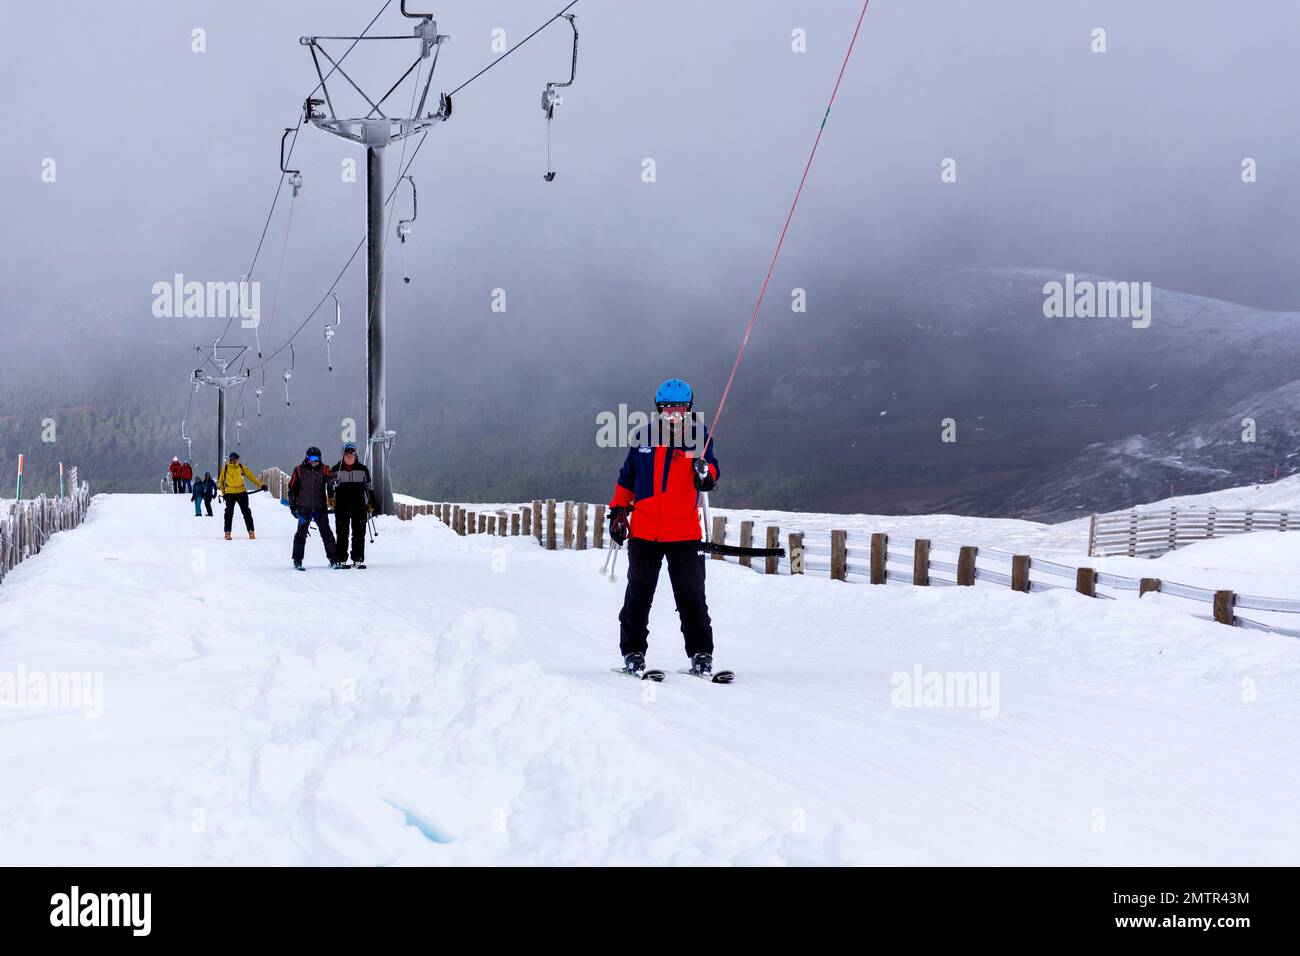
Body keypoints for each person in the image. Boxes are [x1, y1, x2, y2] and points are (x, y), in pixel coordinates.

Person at [608, 378, 719, 678]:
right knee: (639, 595)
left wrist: (704, 473)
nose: (673, 414)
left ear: (688, 409)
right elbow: (627, 478)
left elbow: (710, 474)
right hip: (644, 532)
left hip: (684, 533)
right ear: (658, 409)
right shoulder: (643, 436)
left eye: (679, 409)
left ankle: (701, 654)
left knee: (691, 596)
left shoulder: (699, 436)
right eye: (667, 408)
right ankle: (632, 652)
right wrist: (617, 513)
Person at [287, 446, 341, 570]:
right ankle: (297, 559)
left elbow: (330, 478)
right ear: (307, 458)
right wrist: (293, 506)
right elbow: (292, 488)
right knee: (301, 534)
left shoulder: (324, 468)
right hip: (304, 508)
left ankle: (333, 559)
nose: (314, 461)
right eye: (312, 458)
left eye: (317, 458)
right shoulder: (299, 470)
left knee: (327, 533)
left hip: (320, 507)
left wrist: (334, 483)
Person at [331, 442, 376, 568]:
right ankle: (341, 558)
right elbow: (330, 487)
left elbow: (369, 487)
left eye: (352, 454)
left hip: (359, 506)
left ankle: (358, 558)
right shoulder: (336, 469)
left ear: (356, 454)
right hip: (341, 507)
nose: (349, 456)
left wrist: (372, 501)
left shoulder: (362, 469)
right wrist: (331, 498)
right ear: (343, 454)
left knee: (359, 533)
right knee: (342, 533)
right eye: (347, 454)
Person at [217, 450, 265, 540]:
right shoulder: (226, 468)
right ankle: (227, 532)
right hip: (230, 493)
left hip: (241, 492)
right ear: (233, 459)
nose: (238, 460)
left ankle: (251, 531)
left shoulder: (241, 467)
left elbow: (251, 476)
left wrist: (261, 485)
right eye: (237, 459)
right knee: (228, 513)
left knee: (246, 512)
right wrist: (224, 494)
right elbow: (220, 482)